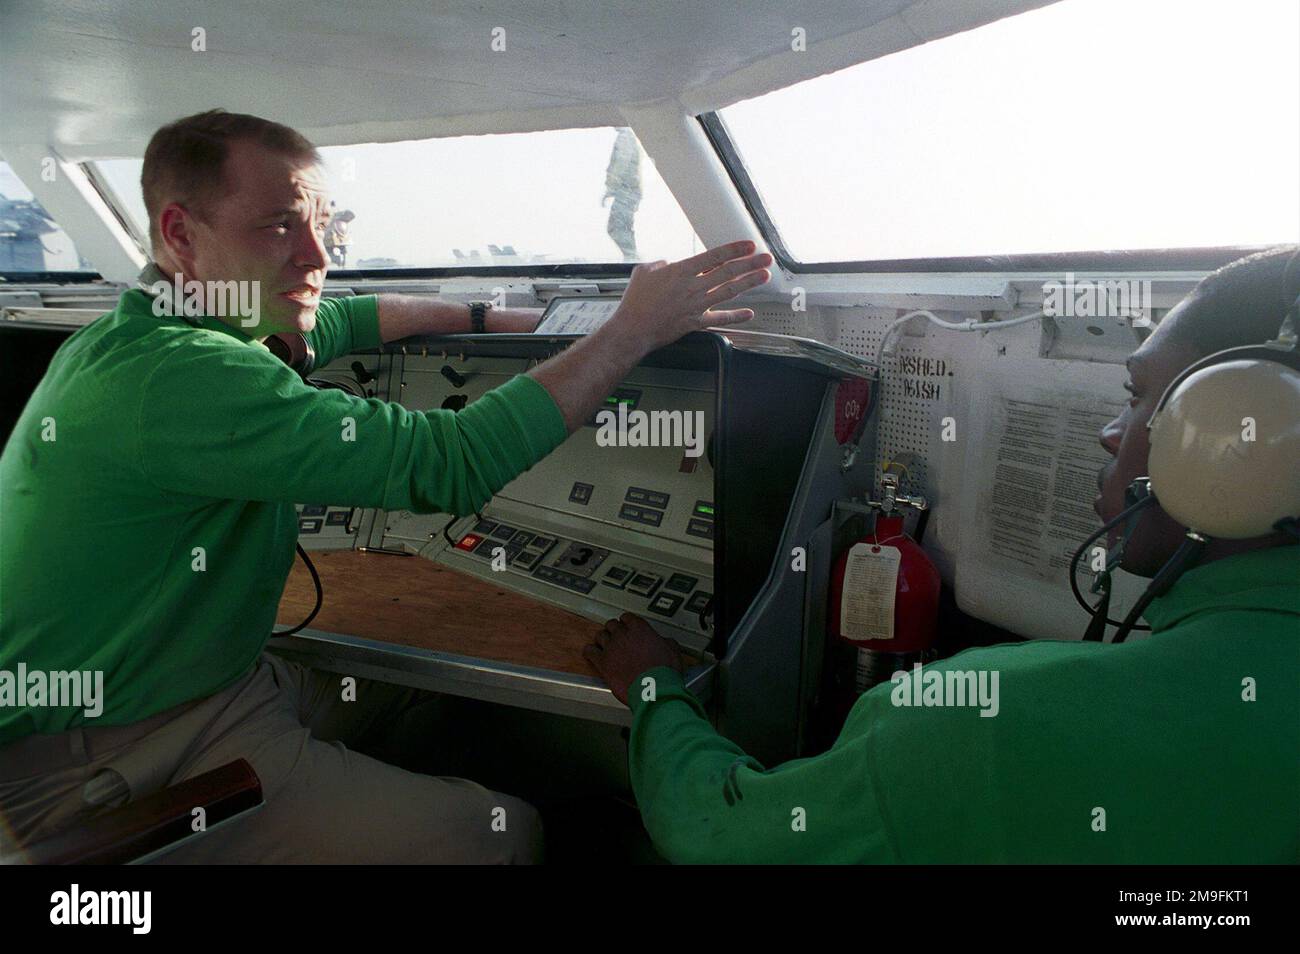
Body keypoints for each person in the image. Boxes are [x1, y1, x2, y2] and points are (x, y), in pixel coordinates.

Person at [0, 108, 771, 863]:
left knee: (428, 709)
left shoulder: (174, 325)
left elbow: (349, 321)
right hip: (107, 760)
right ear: (179, 234)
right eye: (278, 227)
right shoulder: (182, 375)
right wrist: (629, 329)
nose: (315, 255)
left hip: (203, 682)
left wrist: (490, 316)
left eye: (321, 225)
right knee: (505, 833)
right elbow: (454, 459)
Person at [584, 246, 1300, 864]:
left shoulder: (975, 724)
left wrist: (655, 688)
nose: (1113, 434)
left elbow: (722, 837)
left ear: (1244, 438)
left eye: (1140, 396)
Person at [603, 127, 642, 262]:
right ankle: (631, 258)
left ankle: (632, 259)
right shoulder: (627, 136)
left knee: (617, 227)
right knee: (620, 227)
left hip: (626, 190)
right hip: (626, 190)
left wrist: (611, 187)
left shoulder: (625, 137)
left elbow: (621, 161)